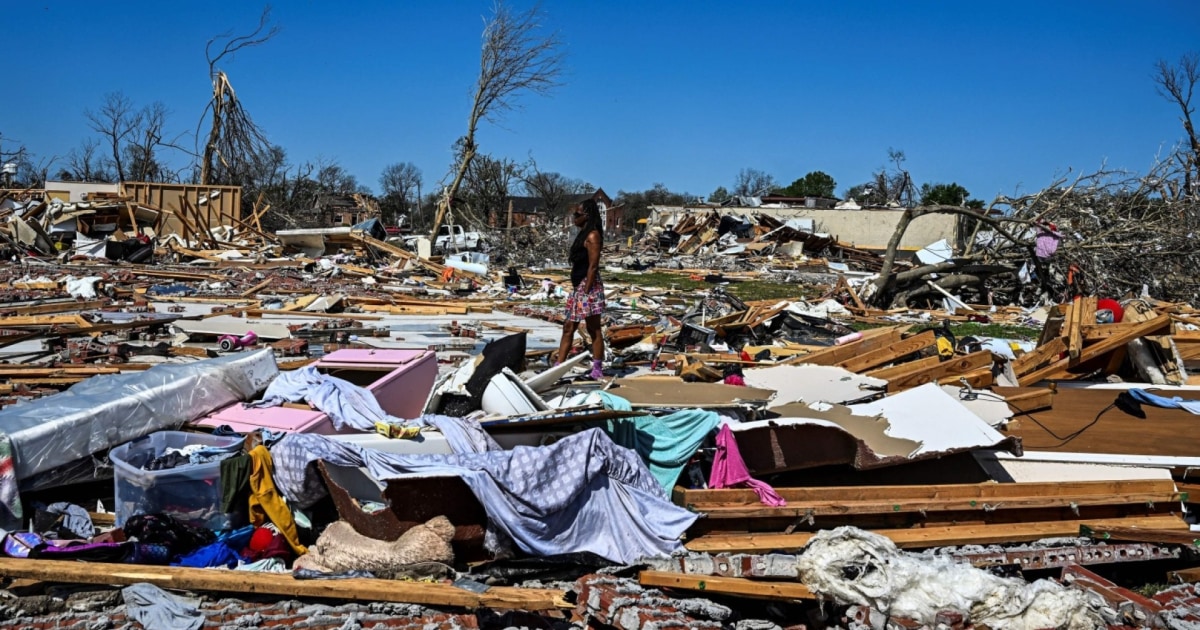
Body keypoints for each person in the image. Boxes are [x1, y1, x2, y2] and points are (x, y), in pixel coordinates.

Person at [556, 199, 605, 379]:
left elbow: (593, 266)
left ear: (587, 216)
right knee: (568, 327)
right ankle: (558, 367)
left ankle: (597, 369)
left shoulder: (593, 236)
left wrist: (586, 292)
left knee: (593, 329)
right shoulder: (583, 235)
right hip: (579, 287)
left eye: (577, 214)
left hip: (588, 287)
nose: (574, 218)